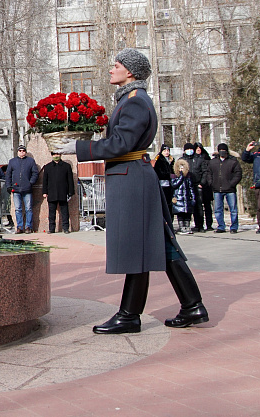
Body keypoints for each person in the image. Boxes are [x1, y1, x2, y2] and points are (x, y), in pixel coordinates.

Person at [60, 49, 208, 333]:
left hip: (131, 178)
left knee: (138, 246)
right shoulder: (131, 99)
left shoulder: (135, 101)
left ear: (130, 71)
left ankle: (131, 315)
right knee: (156, 245)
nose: (110, 69)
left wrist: (80, 148)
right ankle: (191, 305)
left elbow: (120, 144)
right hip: (132, 177)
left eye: (116, 65)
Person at [5, 145, 39, 234]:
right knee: (18, 209)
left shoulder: (30, 161)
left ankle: (28, 226)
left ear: (25, 152)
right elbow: (8, 175)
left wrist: (30, 183)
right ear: (17, 152)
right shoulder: (12, 162)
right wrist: (8, 186)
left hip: (27, 189)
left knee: (28, 208)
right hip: (16, 189)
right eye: (20, 150)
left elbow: (35, 173)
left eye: (23, 150)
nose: (22, 152)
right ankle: (19, 227)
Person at [210, 143, 242, 233]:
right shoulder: (213, 162)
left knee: (233, 209)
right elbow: (209, 173)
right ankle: (221, 226)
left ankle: (234, 227)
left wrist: (231, 184)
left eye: (224, 151)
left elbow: (238, 174)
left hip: (230, 189)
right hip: (217, 189)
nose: (222, 152)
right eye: (220, 151)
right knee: (217, 210)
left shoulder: (233, 161)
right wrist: (212, 183)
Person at [40, 149, 75, 233]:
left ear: (61, 155)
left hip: (63, 192)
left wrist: (71, 192)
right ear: (52, 155)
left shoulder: (66, 166)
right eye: (54, 154)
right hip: (51, 193)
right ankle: (52, 229)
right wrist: (44, 192)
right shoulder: (48, 167)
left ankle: (65, 228)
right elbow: (45, 181)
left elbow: (70, 180)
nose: (56, 156)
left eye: (58, 154)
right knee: (51, 213)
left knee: (64, 212)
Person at [182, 143, 211, 232]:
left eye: (191, 149)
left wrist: (202, 183)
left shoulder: (199, 159)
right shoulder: (182, 160)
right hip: (187, 186)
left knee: (199, 206)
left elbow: (205, 172)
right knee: (190, 206)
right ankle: (191, 224)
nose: (189, 151)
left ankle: (200, 225)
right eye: (188, 149)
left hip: (197, 185)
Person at [170, 159, 196, 235]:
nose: (181, 170)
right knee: (180, 214)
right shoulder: (174, 176)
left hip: (186, 198)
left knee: (188, 213)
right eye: (180, 168)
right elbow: (174, 185)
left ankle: (187, 226)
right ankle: (181, 227)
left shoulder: (188, 177)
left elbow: (191, 188)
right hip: (178, 199)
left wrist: (193, 198)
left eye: (183, 168)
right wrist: (180, 177)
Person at [153, 145, 174, 212]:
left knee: (170, 203)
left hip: (171, 184)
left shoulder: (171, 160)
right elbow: (159, 173)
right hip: (163, 184)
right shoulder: (159, 160)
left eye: (168, 151)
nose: (166, 152)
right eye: (165, 151)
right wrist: (169, 175)